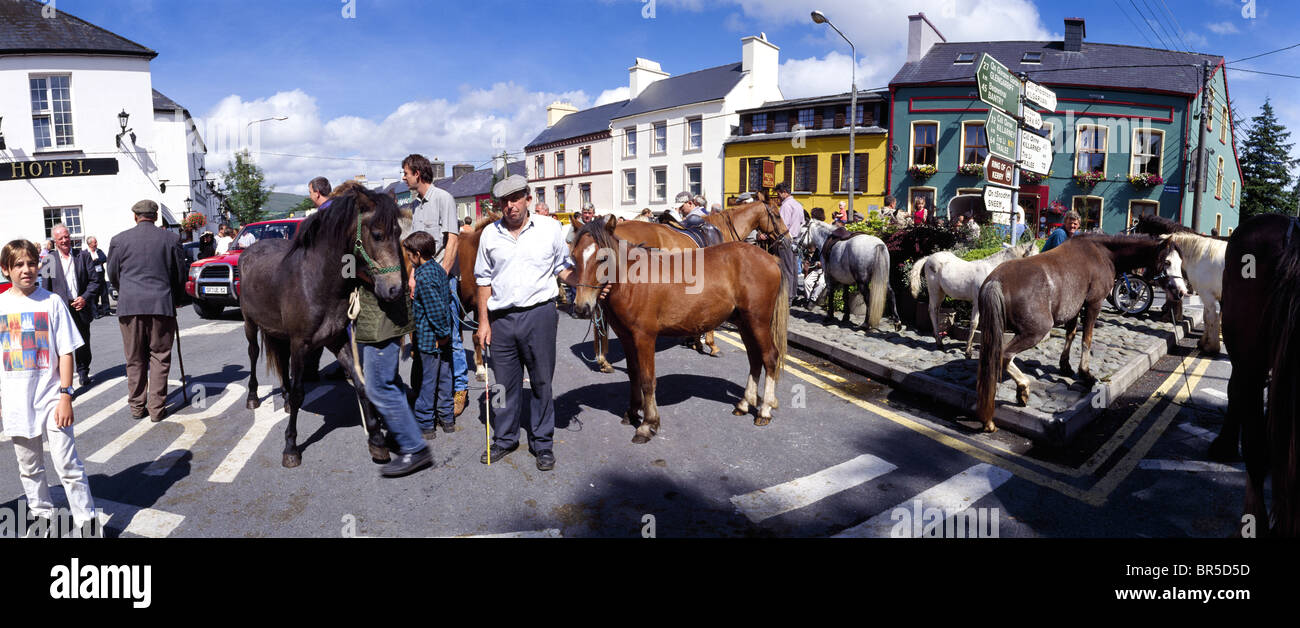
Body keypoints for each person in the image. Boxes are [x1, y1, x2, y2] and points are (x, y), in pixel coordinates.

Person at [474, 175, 580, 472]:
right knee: (502, 385)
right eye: (504, 202)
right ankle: (504, 439)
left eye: (516, 198)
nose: (510, 206)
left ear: (527, 199)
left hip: (540, 316)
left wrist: (584, 281)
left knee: (541, 380)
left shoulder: (550, 229)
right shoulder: (490, 235)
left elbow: (562, 268)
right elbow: (483, 280)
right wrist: (483, 322)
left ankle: (542, 442)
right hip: (502, 319)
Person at [0, 239, 98, 538]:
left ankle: (88, 523)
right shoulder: (2, 305)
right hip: (16, 402)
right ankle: (42, 516)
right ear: (5, 269)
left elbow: (66, 352)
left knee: (68, 465)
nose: (26, 269)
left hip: (52, 399)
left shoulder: (52, 301)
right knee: (29, 467)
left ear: (39, 265)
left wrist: (66, 395)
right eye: (18, 265)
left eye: (31, 263)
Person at [106, 200, 188, 422]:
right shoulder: (171, 239)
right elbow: (180, 273)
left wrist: (128, 292)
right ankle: (156, 409)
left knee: (134, 357)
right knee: (159, 356)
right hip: (161, 304)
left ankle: (136, 406)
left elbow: (113, 274)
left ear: (135, 216)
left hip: (129, 306)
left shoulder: (119, 240)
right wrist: (177, 299)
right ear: (156, 216)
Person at [402, 154, 469, 423]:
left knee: (450, 337)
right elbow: (415, 249)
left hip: (442, 280)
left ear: (418, 173)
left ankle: (459, 389)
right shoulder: (415, 205)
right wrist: (412, 277)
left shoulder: (444, 198)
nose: (403, 177)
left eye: (405, 172)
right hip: (422, 280)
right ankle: (427, 394)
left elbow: (452, 240)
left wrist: (437, 279)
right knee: (425, 336)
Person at [404, 231, 455, 438]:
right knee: (445, 378)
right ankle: (447, 418)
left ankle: (426, 423)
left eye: (409, 255)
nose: (408, 258)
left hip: (430, 338)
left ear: (417, 254)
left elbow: (434, 310)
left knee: (427, 382)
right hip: (443, 337)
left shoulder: (423, 277)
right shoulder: (440, 270)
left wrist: (441, 333)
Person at [40, 224, 101, 388]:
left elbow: (95, 281)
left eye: (67, 237)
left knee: (83, 342)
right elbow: (45, 288)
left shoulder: (83, 256)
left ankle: (83, 371)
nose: (65, 240)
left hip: (80, 306)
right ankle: (63, 381)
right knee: (61, 345)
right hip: (60, 309)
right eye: (61, 238)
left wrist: (85, 298)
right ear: (55, 241)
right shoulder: (49, 260)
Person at [85, 236, 110, 319]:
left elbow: (104, 258)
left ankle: (106, 310)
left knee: (104, 294)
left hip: (100, 276)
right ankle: (95, 313)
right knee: (93, 296)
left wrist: (96, 261)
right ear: (90, 244)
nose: (96, 244)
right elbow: (86, 263)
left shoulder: (99, 251)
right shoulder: (85, 252)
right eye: (94, 242)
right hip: (91, 278)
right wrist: (94, 262)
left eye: (96, 242)